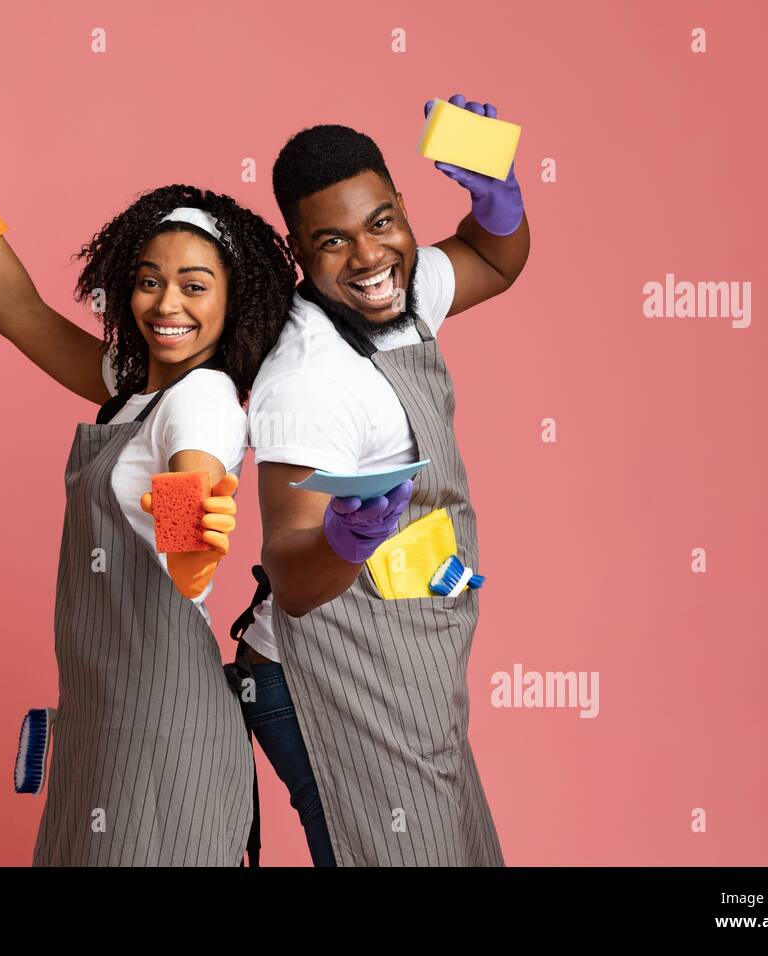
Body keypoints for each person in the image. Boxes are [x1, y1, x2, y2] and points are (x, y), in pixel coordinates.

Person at [0, 98, 297, 866]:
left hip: (161, 728)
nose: (166, 304)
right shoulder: (133, 384)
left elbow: (197, 471)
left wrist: (191, 546)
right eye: (149, 282)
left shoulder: (202, 398)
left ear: (232, 299)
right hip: (101, 719)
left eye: (193, 285)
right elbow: (23, 316)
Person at [234, 96, 531, 866]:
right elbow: (294, 576)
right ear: (299, 250)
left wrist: (497, 198)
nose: (367, 257)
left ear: (402, 209)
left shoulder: (403, 293)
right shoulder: (307, 381)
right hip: (324, 680)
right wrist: (343, 536)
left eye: (380, 223)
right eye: (333, 241)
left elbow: (495, 260)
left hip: (407, 667)